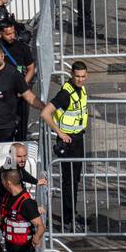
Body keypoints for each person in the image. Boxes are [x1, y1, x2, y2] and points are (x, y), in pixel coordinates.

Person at [0, 45, 68, 147]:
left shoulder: (13, 74)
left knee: (3, 159)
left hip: (5, 129)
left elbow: (29, 96)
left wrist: (46, 108)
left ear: (2, 57)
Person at [49, 61, 88, 228]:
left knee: (75, 180)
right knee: (68, 181)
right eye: (77, 76)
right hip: (68, 141)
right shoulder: (65, 93)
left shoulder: (81, 89)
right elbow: (45, 113)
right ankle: (67, 218)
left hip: (78, 139)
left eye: (83, 76)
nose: (80, 79)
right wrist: (59, 133)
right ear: (71, 74)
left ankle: (72, 213)